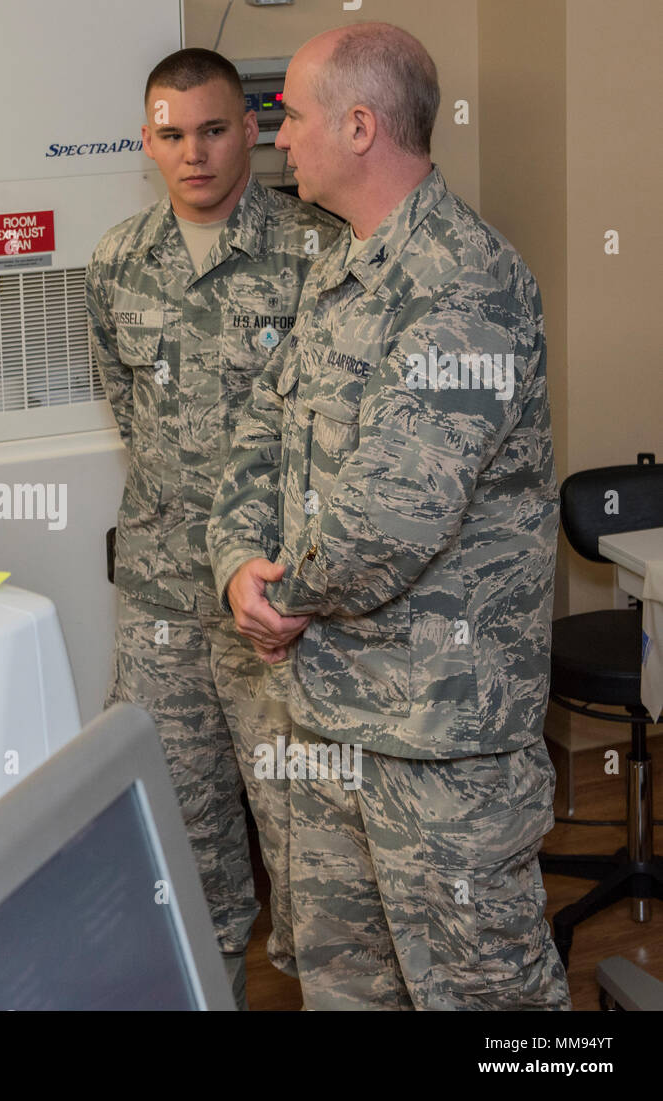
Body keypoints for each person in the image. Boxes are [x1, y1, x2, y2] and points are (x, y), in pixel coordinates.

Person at [209, 23, 570, 1010]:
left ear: (359, 126)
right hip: (327, 710)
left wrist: (282, 597)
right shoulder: (337, 272)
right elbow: (257, 432)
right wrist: (237, 560)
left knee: (482, 995)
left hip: (440, 740)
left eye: (290, 116)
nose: (276, 139)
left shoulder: (465, 282)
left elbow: (393, 517)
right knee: (347, 982)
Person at [86, 47, 341, 1007]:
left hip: (279, 607)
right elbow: (129, 408)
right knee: (176, 844)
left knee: (307, 845)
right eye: (170, 133)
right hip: (162, 604)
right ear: (147, 140)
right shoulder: (116, 261)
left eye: (214, 128)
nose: (193, 153)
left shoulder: (321, 251)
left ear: (253, 129)